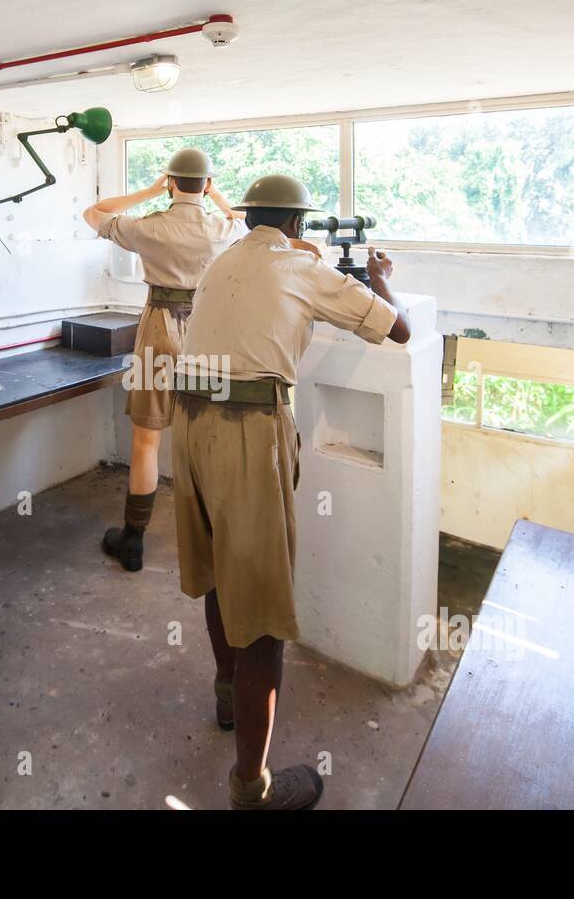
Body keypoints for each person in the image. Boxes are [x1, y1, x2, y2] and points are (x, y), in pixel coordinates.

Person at [171, 174, 411, 810]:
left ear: (251, 218)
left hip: (189, 425)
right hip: (247, 432)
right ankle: (251, 787)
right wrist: (378, 277)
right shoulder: (304, 269)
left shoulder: (222, 262)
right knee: (267, 620)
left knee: (223, 575)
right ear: (300, 226)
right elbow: (399, 330)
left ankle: (227, 693)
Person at [82, 148, 246, 572]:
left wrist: (152, 190)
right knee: (209, 437)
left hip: (158, 328)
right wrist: (213, 195)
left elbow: (93, 212)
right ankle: (215, 541)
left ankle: (133, 540)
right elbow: (245, 220)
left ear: (171, 182)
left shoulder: (148, 227)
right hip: (208, 333)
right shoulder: (222, 227)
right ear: (207, 186)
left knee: (146, 438)